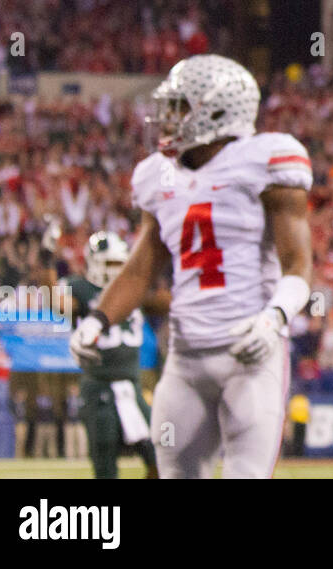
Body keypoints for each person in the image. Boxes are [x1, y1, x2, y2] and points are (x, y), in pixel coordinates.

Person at [70, 54, 314, 479]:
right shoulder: (157, 176)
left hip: (250, 350)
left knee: (246, 475)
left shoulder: (266, 160)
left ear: (218, 110)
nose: (167, 118)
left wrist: (274, 318)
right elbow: (141, 268)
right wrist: (97, 319)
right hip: (185, 357)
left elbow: (298, 264)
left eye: (180, 107)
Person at [62, 232, 159, 478]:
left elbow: (161, 300)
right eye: (111, 263)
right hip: (99, 389)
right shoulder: (81, 288)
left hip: (132, 387)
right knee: (105, 466)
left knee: (161, 454)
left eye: (120, 263)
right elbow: (60, 305)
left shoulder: (133, 288)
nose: (116, 269)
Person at [63, 383, 86, 461]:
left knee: (81, 439)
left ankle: (82, 455)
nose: (74, 391)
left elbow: (85, 410)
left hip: (80, 422)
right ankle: (70, 456)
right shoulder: (67, 399)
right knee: (69, 440)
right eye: (72, 390)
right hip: (70, 422)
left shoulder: (81, 399)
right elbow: (64, 410)